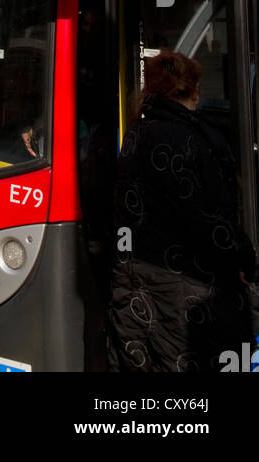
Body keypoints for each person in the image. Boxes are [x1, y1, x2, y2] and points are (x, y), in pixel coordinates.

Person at [108, 50, 255, 373]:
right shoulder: (193, 140)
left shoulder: (135, 132)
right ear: (194, 91)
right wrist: (246, 258)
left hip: (134, 287)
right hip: (181, 293)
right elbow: (210, 222)